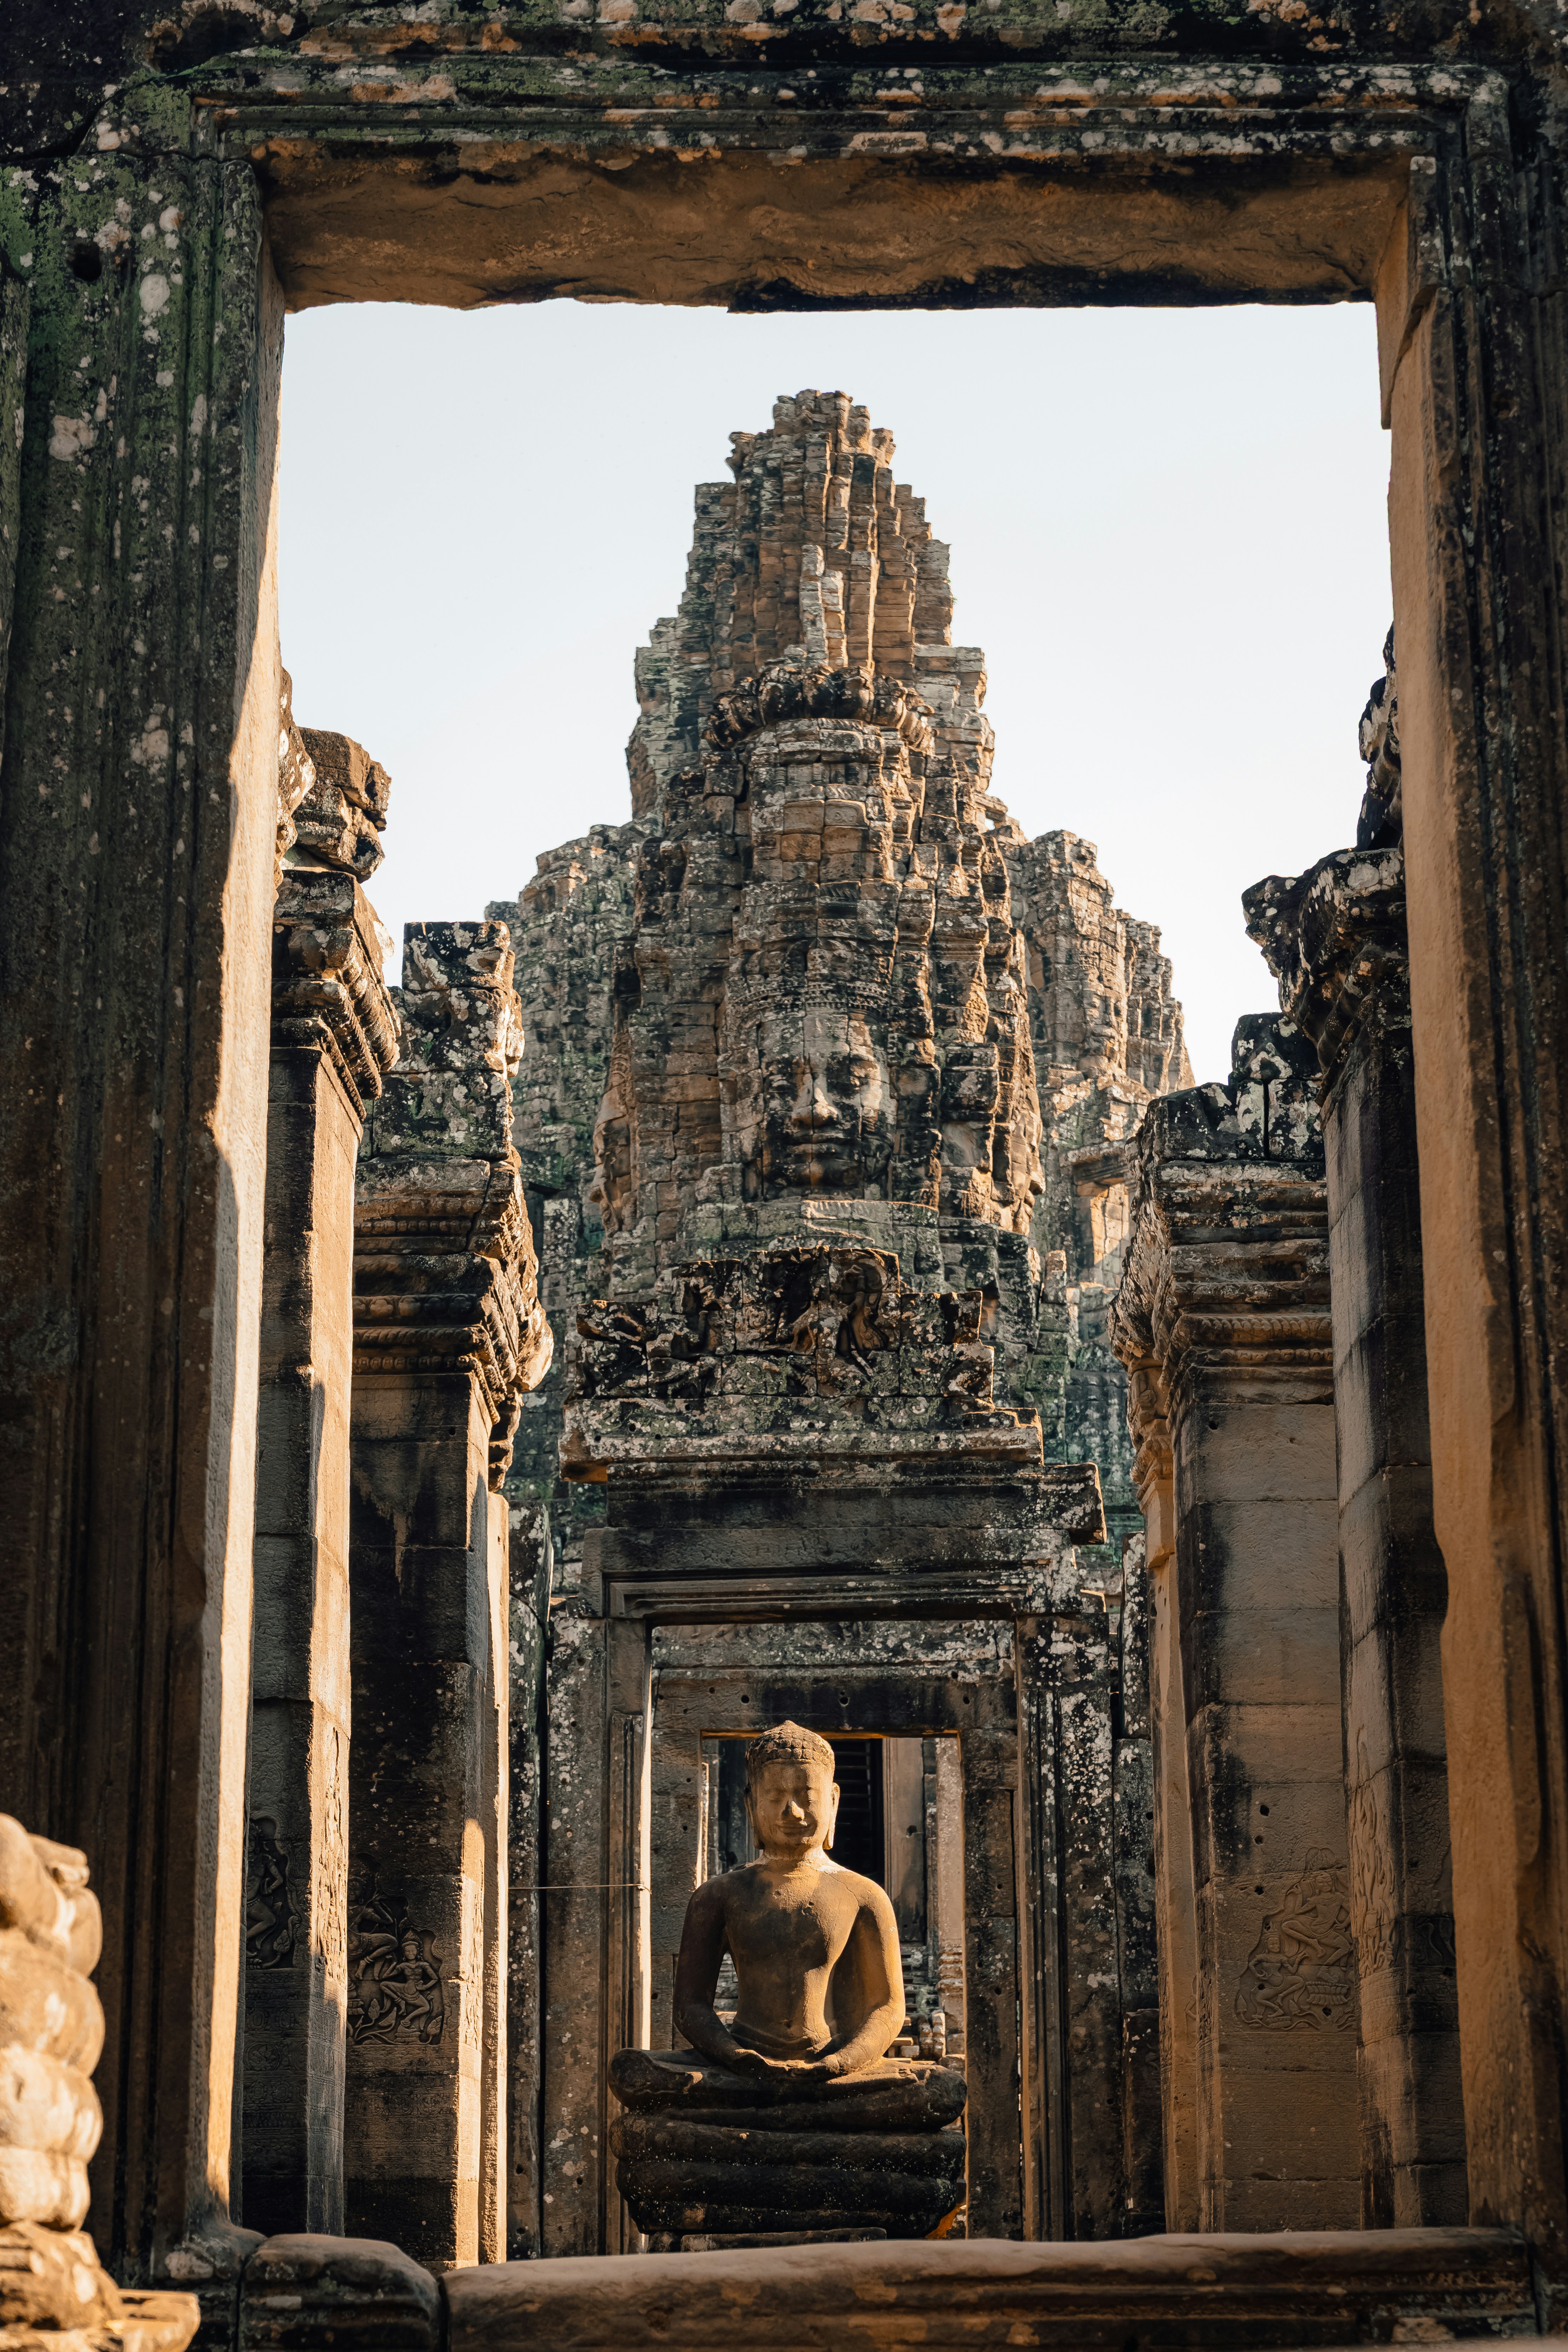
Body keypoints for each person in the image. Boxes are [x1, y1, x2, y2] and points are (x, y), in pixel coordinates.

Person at [673, 1720, 904, 2080]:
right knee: (631, 2070)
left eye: (805, 1796)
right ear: (751, 1804)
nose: (791, 1811)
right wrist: (735, 2056)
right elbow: (690, 2006)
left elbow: (887, 2007)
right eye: (775, 1797)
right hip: (742, 2065)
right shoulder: (718, 1895)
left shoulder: (864, 1895)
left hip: (829, 2063)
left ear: (832, 1800)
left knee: (939, 2090)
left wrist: (840, 2062)